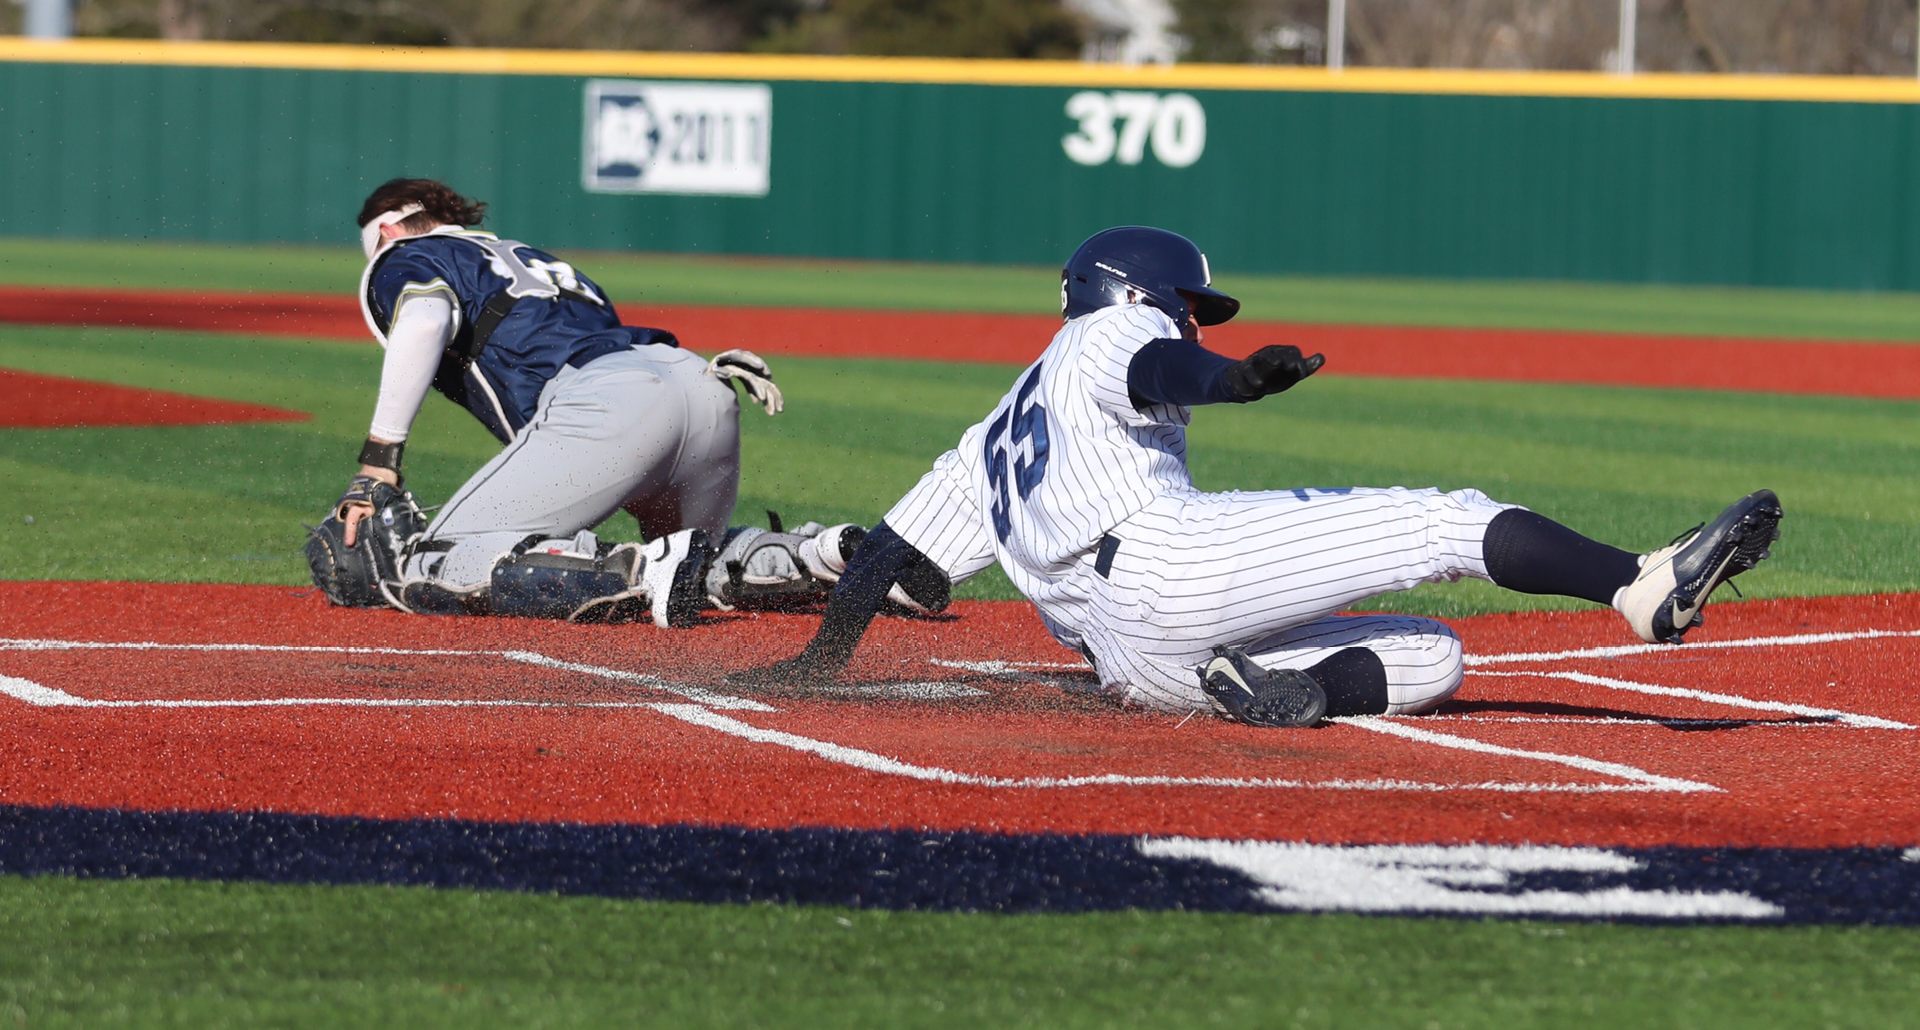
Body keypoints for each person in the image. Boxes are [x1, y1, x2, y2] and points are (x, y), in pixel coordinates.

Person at [735, 226, 1784, 727]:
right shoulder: (1113, 332)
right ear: (1139, 292)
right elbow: (1159, 363)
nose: (1194, 314)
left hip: (1132, 662)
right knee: (1442, 520)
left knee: (1433, 658)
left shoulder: (997, 424)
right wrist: (1234, 379)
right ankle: (1639, 587)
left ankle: (1280, 693)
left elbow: (891, 556)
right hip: (1164, 565)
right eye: (1190, 301)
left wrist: (819, 665)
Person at [306, 177, 860, 625]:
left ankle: (644, 569)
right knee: (701, 561)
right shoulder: (531, 258)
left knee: (432, 562)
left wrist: (379, 461)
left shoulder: (404, 254)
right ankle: (820, 556)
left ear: (385, 230)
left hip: (612, 405)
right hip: (701, 383)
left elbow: (425, 319)